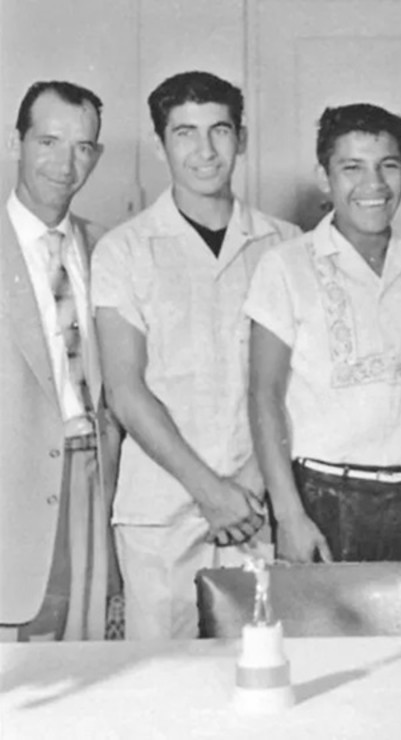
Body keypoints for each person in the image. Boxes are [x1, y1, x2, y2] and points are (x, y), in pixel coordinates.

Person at [92, 71, 300, 640]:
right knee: (160, 696)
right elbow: (126, 393)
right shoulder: (123, 251)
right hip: (160, 513)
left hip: (253, 511)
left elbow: (295, 385)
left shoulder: (284, 245)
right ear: (161, 144)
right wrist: (212, 492)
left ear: (242, 138)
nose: (204, 151)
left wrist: (250, 488)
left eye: (219, 131)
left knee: (256, 685)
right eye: (185, 133)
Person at [246, 103, 401, 564]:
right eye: (352, 168)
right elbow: (263, 395)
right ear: (324, 177)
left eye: (388, 166)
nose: (374, 185)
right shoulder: (285, 266)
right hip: (324, 500)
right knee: (323, 636)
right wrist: (290, 517)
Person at [0, 80, 117, 641]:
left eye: (83, 147)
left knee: (87, 654)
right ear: (14, 142)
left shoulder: (108, 248)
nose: (65, 163)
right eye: (48, 141)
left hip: (95, 478)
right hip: (11, 487)